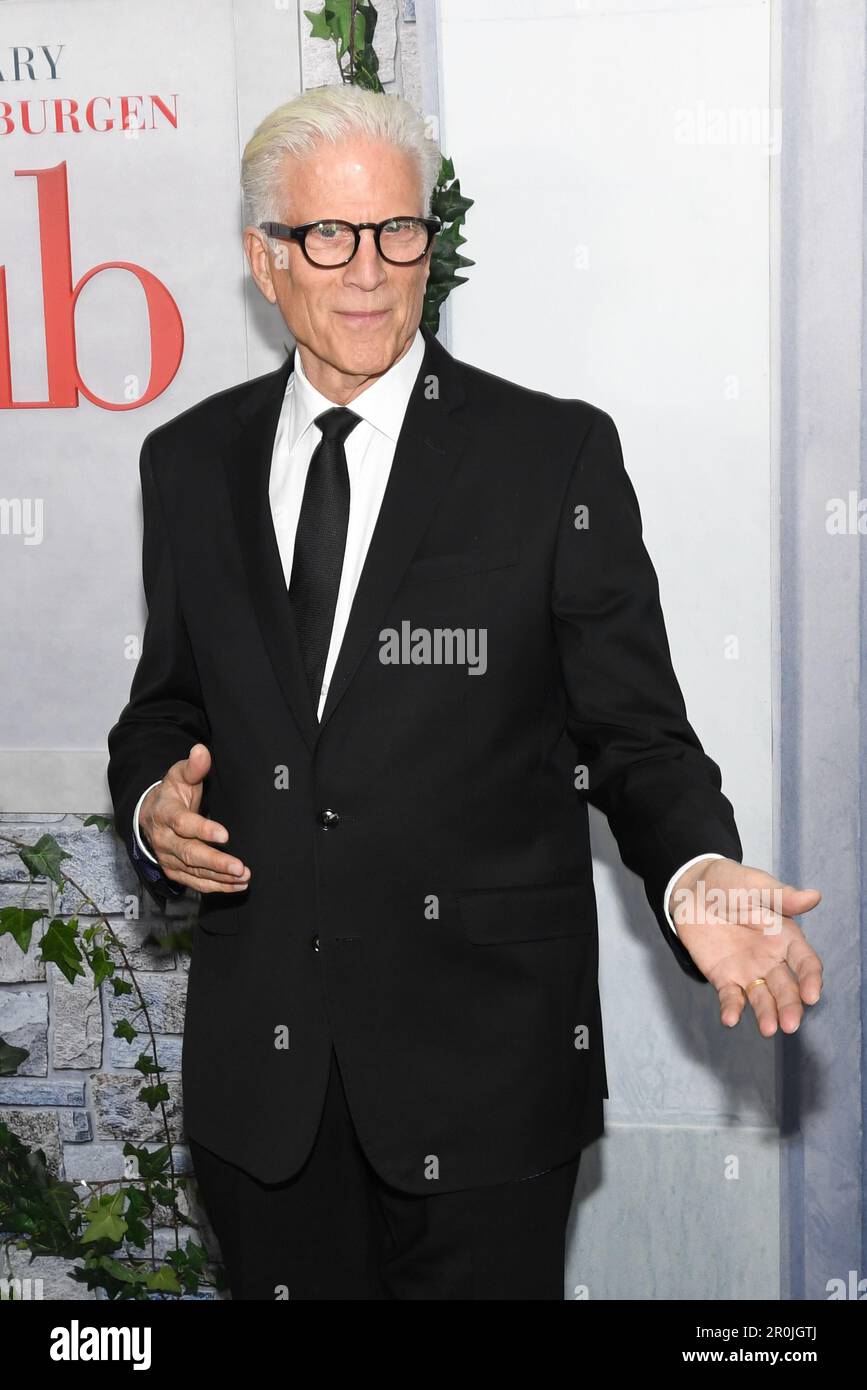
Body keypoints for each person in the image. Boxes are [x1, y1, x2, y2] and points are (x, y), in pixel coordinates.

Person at [106, 84, 823, 1300]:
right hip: (266, 1088)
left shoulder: (551, 457)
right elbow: (167, 705)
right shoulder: (185, 461)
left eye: (400, 231)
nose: (372, 270)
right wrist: (151, 809)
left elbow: (636, 736)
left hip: (485, 1076)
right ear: (261, 258)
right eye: (328, 235)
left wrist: (697, 870)